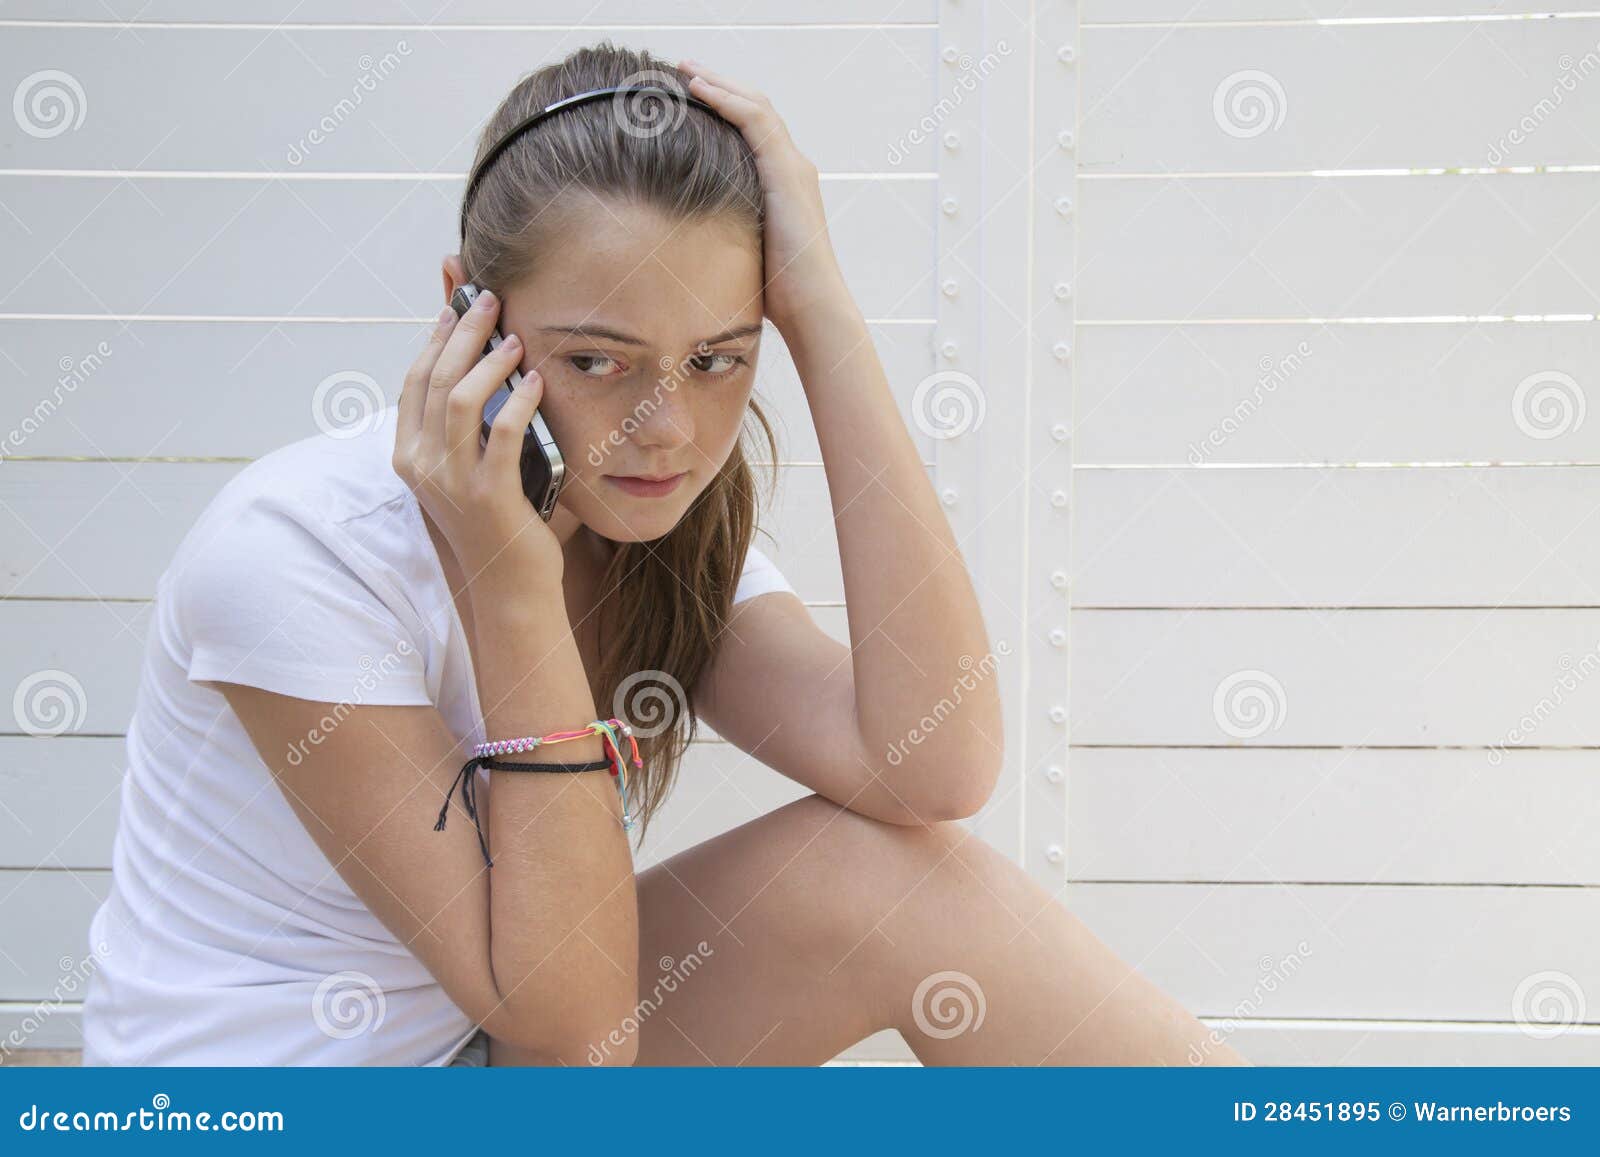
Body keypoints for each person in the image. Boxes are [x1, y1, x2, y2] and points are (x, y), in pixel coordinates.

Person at [81, 42, 1246, 1067]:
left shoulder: (651, 514)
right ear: (467, 312)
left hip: (487, 1058)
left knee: (895, 875)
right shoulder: (295, 555)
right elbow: (571, 1030)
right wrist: (513, 589)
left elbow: (929, 765)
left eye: (718, 357)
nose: (668, 430)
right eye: (598, 361)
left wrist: (822, 307)